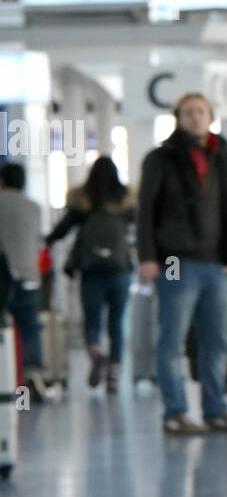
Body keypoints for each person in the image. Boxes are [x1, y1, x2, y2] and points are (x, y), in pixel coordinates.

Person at [136, 92, 227, 434]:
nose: (195, 117)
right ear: (178, 117)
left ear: (210, 116)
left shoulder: (219, 155)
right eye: (188, 112)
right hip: (174, 260)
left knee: (218, 339)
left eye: (201, 111)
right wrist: (147, 257)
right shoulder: (161, 158)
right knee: (172, 340)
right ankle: (175, 413)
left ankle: (216, 410)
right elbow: (145, 210)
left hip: (214, 262)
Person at [45, 157, 136, 392]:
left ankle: (96, 351)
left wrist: (44, 242)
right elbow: (141, 228)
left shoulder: (82, 201)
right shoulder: (125, 201)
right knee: (116, 322)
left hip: (91, 270)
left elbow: (61, 231)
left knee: (92, 320)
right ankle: (114, 375)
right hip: (120, 269)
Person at [0, 161, 46, 400]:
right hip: (29, 276)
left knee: (3, 330)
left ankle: (5, 377)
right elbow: (38, 242)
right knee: (30, 329)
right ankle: (33, 375)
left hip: (3, 278)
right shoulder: (34, 207)